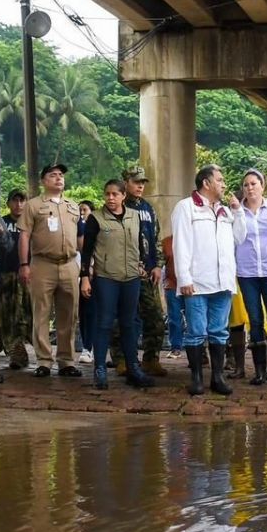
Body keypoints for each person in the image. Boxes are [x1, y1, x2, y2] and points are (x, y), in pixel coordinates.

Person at [171, 165, 246, 395]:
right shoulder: (186, 207)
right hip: (196, 281)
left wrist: (238, 211)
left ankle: (217, 376)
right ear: (206, 183)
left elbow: (240, 238)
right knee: (196, 330)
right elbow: (180, 244)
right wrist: (183, 277)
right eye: (220, 180)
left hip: (222, 281)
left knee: (219, 330)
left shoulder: (224, 210)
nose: (224, 184)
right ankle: (196, 378)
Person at [79, 180, 156, 390]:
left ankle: (133, 368)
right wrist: (84, 276)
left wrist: (143, 264)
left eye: (115, 194)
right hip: (106, 277)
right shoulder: (96, 218)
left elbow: (141, 243)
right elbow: (86, 251)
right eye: (107, 194)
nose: (110, 198)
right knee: (104, 322)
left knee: (129, 323)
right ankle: (100, 369)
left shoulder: (134, 216)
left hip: (131, 277)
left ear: (123, 196)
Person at [17, 163, 82, 378]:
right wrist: (24, 264)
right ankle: (44, 360)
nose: (58, 178)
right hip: (42, 263)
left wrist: (86, 267)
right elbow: (24, 235)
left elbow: (81, 238)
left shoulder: (73, 206)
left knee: (69, 314)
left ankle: (66, 361)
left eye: (61, 175)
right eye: (53, 175)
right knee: (41, 313)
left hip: (69, 263)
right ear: (44, 181)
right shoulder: (33, 205)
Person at [110, 167, 168, 377]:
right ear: (125, 182)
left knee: (155, 317)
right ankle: (122, 359)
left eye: (143, 182)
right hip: (123, 273)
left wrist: (158, 265)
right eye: (136, 182)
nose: (140, 185)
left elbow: (156, 239)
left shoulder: (148, 208)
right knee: (123, 317)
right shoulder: (116, 206)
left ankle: (151, 359)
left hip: (148, 274)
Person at [234, 169, 267, 385]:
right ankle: (259, 370)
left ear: (262, 186)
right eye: (246, 185)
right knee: (255, 320)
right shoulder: (237, 211)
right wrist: (237, 212)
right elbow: (234, 239)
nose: (250, 188)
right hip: (247, 273)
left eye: (254, 184)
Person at [0, 190, 33, 371]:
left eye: (22, 200)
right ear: (9, 203)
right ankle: (16, 353)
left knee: (27, 314)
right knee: (8, 316)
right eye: (15, 200)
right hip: (5, 274)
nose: (18, 204)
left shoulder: (31, 223)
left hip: (28, 274)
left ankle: (35, 349)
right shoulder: (2, 222)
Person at [77, 200, 96, 365]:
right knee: (84, 313)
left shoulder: (97, 226)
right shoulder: (77, 226)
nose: (82, 212)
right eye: (80, 209)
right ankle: (86, 346)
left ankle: (93, 347)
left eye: (85, 209)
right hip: (79, 275)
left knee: (95, 313)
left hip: (97, 275)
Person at [162, 233, 186, 359]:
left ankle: (200, 350)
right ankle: (175, 347)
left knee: (194, 318)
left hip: (192, 285)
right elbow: (159, 262)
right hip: (171, 284)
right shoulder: (166, 242)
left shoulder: (193, 238)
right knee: (174, 317)